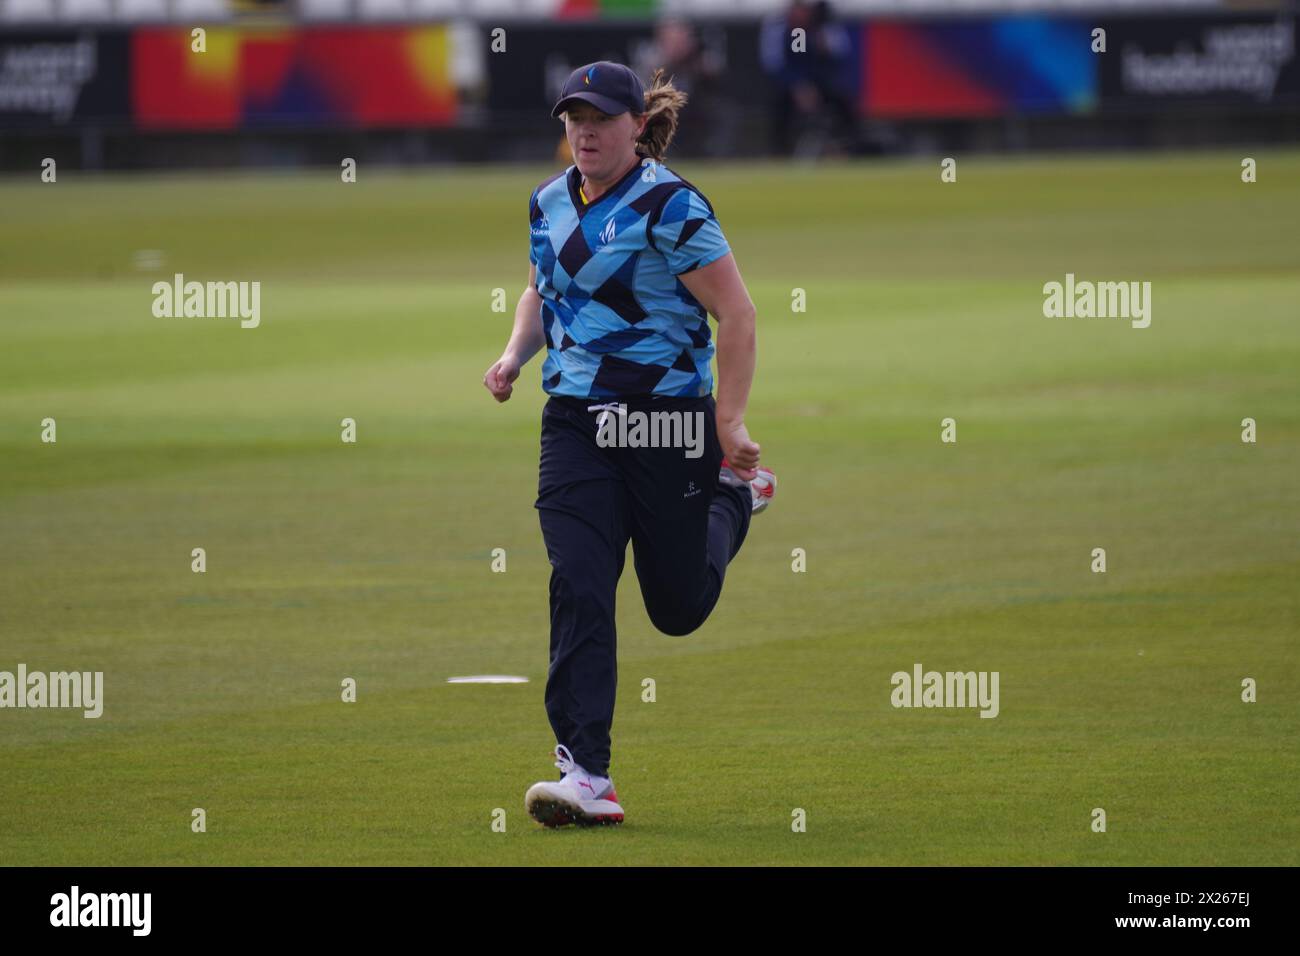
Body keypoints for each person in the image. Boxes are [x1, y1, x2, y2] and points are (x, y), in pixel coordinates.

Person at [482, 60, 776, 828]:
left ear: (636, 125)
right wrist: (516, 353)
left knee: (676, 607)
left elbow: (737, 315)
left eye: (601, 117)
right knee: (578, 580)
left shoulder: (672, 205)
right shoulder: (548, 202)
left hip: (667, 422)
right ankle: (586, 775)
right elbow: (544, 291)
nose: (584, 130)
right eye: (573, 117)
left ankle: (734, 494)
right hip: (576, 422)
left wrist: (731, 425)